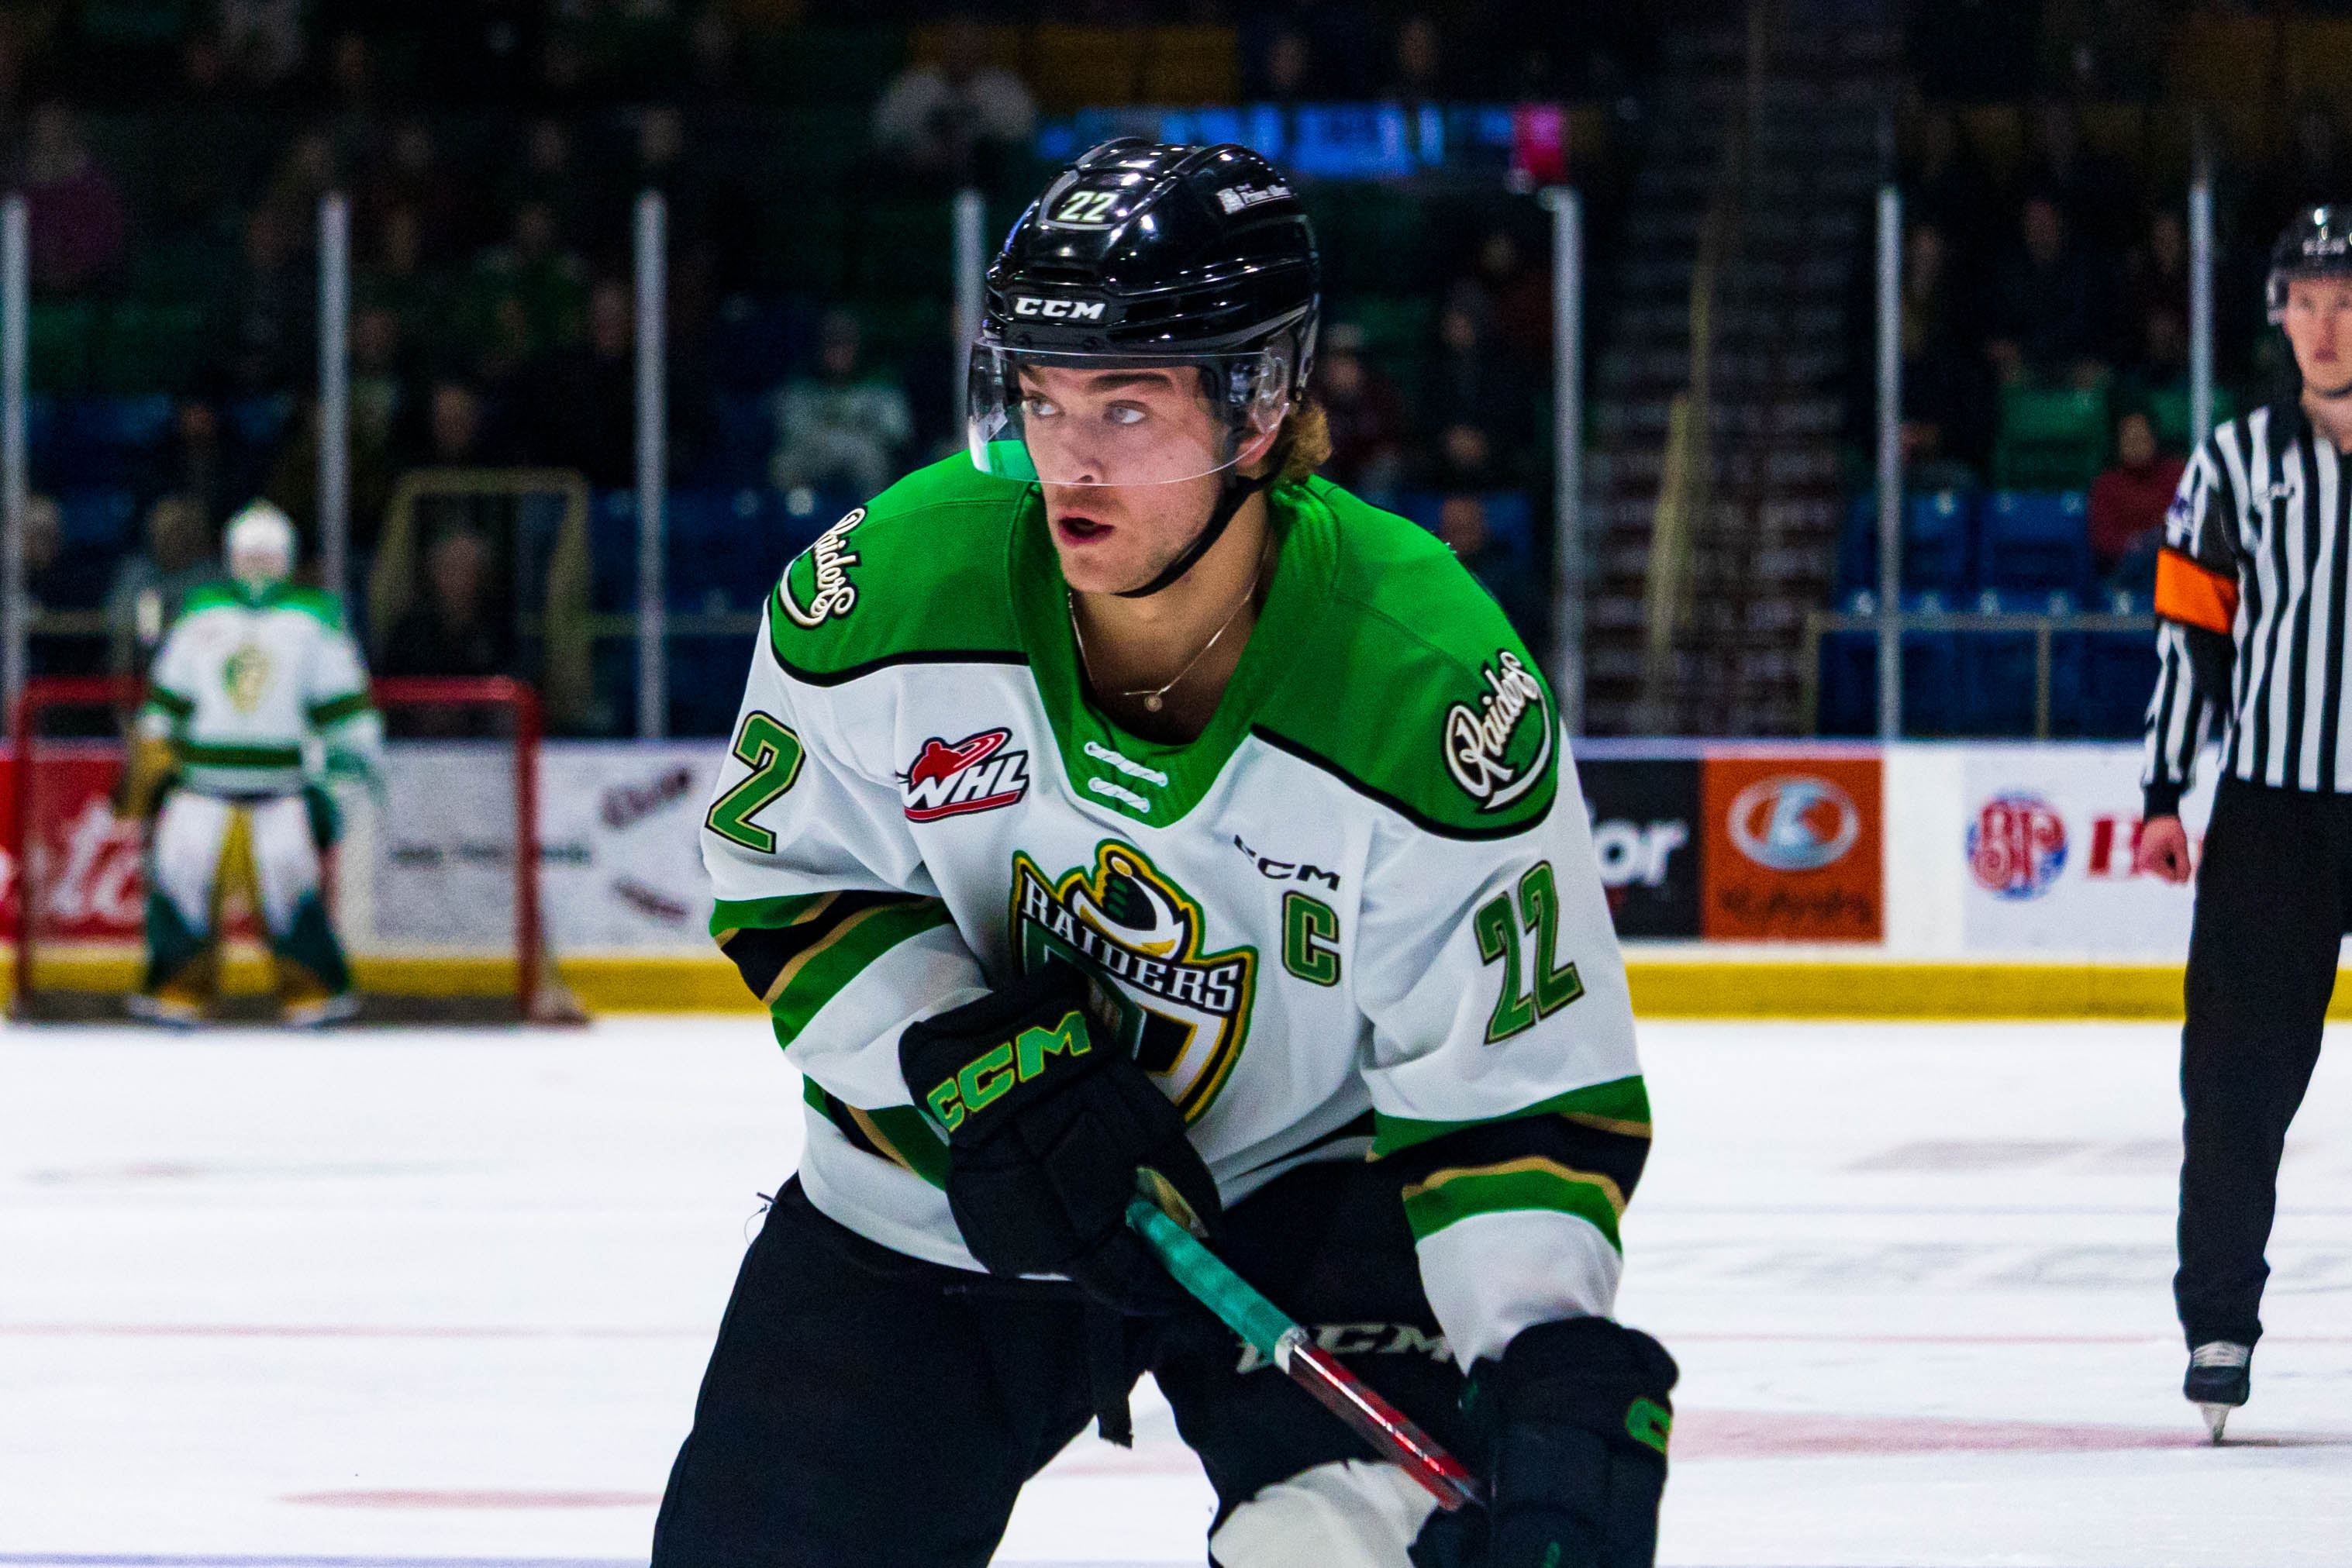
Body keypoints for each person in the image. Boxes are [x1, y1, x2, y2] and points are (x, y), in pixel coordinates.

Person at [663, 140, 1673, 1568]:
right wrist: (963, 1056)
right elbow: (784, 877)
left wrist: (1542, 1350)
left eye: (1124, 407)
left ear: (1257, 408)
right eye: (1039, 397)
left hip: (1289, 1191)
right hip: (930, 1192)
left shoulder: (1420, 682)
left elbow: (1504, 1088)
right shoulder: (886, 589)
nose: (1065, 456)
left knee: (1356, 1545)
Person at [2135, 207, 2352, 1440]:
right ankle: (2218, 1321)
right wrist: (2165, 793)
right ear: (2276, 313)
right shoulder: (2226, 464)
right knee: (2231, 1082)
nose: (2322, 321)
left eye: (2342, 296)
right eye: (2303, 297)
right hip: (2269, 812)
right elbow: (2190, 641)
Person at [117, 501, 382, 1029]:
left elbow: (346, 711)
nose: (258, 566)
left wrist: (342, 778)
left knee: (291, 890)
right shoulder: (201, 615)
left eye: (268, 555)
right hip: (201, 786)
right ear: (231, 557)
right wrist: (151, 755)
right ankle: (177, 988)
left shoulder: (313, 621)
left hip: (281, 787)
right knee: (181, 884)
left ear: (286, 559)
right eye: (249, 555)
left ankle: (313, 991)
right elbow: (167, 700)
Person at [2088, 408, 2182, 584]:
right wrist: (2134, 543)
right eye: (2129, 439)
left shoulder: (2177, 474)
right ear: (2118, 443)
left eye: (2141, 438)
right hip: (2126, 572)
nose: (2136, 445)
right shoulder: (2106, 485)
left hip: (2171, 566)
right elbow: (2103, 540)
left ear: (2154, 439)